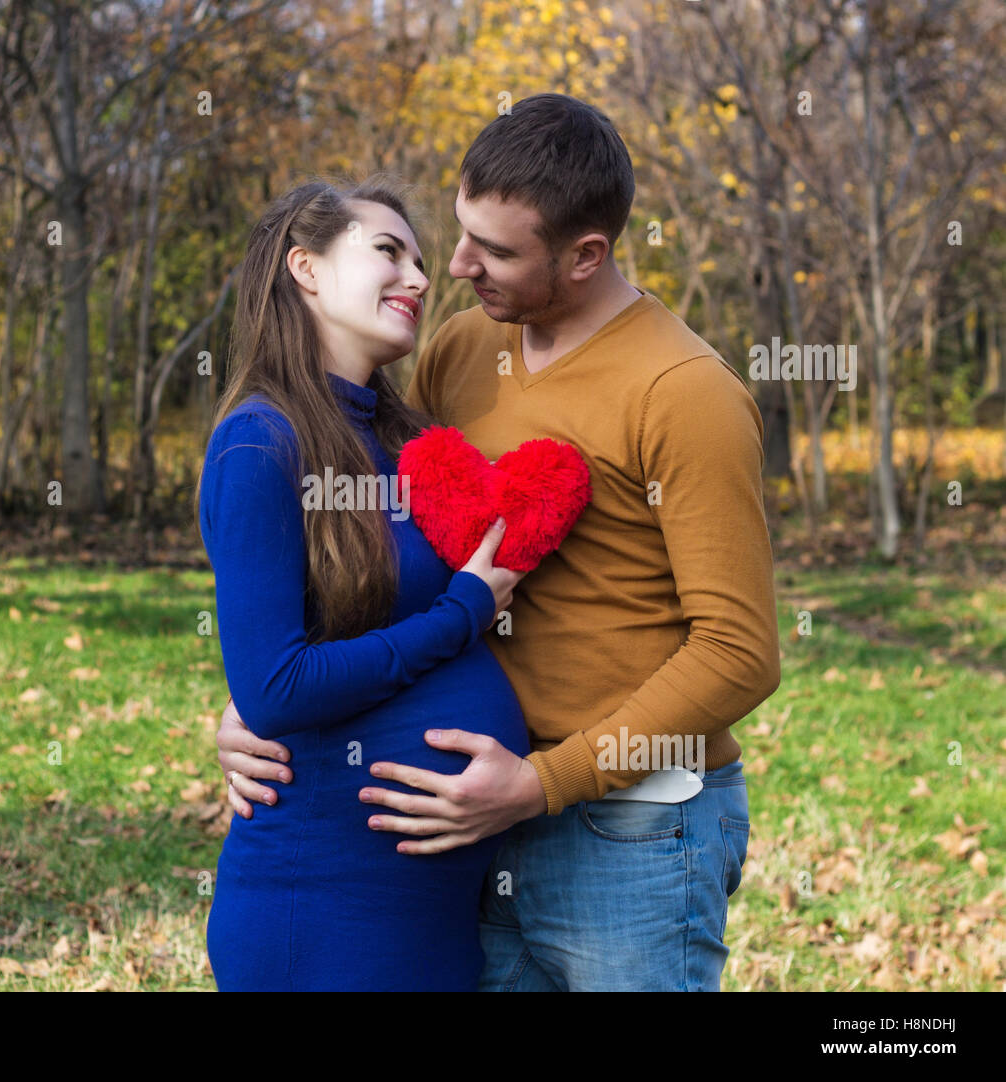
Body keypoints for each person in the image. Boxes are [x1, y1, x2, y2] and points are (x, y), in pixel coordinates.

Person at [218, 95, 781, 991]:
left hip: (628, 830)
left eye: (498, 250)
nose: (455, 263)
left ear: (586, 254)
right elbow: (382, 564)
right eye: (460, 230)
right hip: (466, 829)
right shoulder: (462, 348)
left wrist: (545, 781)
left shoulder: (685, 393)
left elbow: (740, 654)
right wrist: (256, 705)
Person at [195, 176, 534, 991]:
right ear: (304, 268)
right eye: (389, 251)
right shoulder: (258, 444)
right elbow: (277, 686)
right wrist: (465, 613)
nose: (420, 278)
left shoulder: (408, 438)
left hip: (435, 917)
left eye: (420, 260)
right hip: (323, 909)